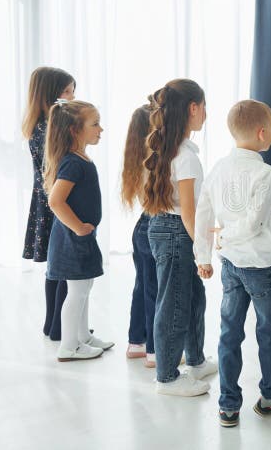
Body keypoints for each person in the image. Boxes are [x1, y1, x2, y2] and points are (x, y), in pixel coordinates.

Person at [194, 100, 271, 427]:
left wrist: (204, 254)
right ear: (262, 134)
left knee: (229, 332)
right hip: (260, 266)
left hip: (230, 264)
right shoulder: (265, 173)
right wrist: (225, 238)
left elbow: (202, 212)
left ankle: (228, 405)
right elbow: (255, 224)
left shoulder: (218, 167)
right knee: (268, 331)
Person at [143, 79, 216, 396]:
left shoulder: (175, 150)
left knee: (192, 299)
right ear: (193, 108)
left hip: (169, 229)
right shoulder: (185, 158)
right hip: (176, 234)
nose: (206, 115)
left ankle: (196, 361)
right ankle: (167, 377)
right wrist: (204, 255)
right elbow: (190, 214)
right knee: (173, 305)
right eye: (205, 108)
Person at [44, 99, 114, 361]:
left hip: (82, 237)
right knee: (77, 292)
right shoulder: (73, 163)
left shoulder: (80, 159)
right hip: (73, 239)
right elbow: (55, 201)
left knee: (84, 288)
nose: (101, 129)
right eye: (95, 124)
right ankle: (69, 345)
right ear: (75, 130)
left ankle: (82, 336)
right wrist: (78, 228)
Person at [21, 67, 76, 340]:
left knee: (56, 267)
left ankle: (55, 323)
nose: (71, 97)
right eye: (66, 92)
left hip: (48, 199)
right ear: (50, 94)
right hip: (57, 200)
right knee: (63, 266)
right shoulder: (48, 128)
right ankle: (60, 327)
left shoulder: (39, 125)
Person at [120, 102, 158, 367]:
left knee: (143, 286)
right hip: (155, 227)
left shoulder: (135, 158)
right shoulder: (155, 161)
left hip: (142, 226)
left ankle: (137, 342)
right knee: (155, 290)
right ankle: (155, 350)